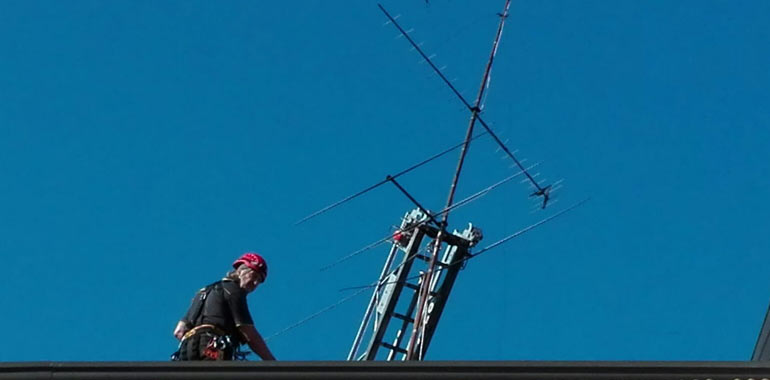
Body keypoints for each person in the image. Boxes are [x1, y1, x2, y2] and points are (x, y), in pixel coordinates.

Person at [172, 252, 276, 361]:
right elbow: (248, 332)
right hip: (212, 348)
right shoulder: (234, 291)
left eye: (259, 281)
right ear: (241, 271)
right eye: (254, 276)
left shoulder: (203, 293)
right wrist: (272, 362)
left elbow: (179, 331)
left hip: (186, 351)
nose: (255, 283)